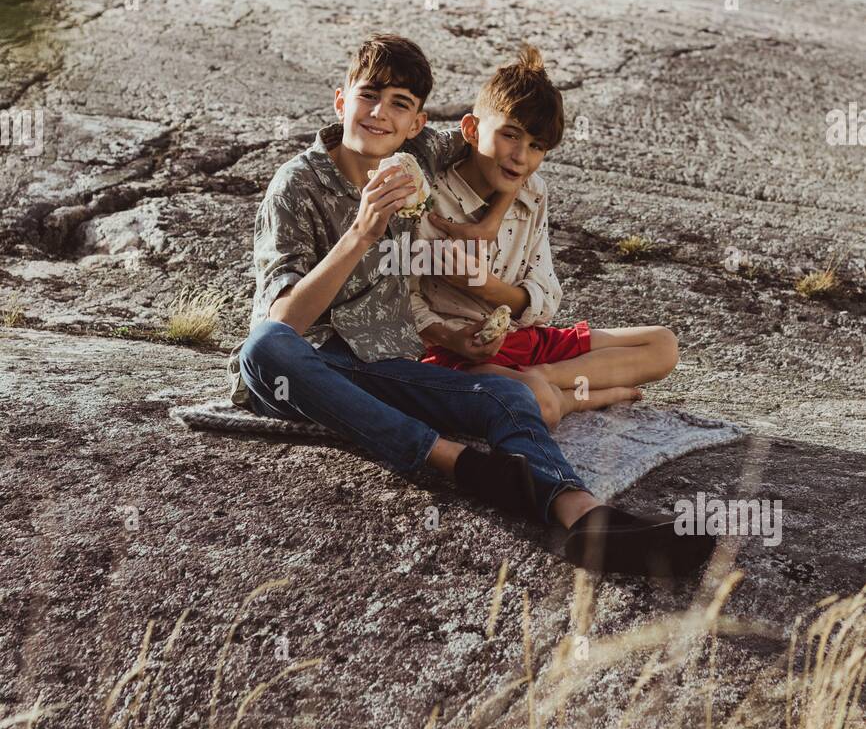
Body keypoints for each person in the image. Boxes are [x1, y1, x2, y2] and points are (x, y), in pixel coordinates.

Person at [228, 33, 714, 578]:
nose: (379, 114)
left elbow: (507, 152)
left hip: (386, 367)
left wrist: (486, 222)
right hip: (310, 369)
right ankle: (454, 462)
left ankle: (582, 516)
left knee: (504, 392)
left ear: (417, 124)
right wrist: (361, 234)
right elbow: (284, 321)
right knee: (264, 347)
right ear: (342, 101)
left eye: (400, 105)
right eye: (368, 96)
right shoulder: (296, 184)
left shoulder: (420, 154)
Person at [410, 43, 680, 431]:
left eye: (537, 146)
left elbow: (545, 296)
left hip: (526, 342)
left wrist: (485, 287)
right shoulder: (428, 198)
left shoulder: (531, 191)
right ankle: (575, 395)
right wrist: (454, 339)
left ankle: (551, 380)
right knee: (539, 405)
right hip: (459, 353)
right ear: (471, 129)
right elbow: (405, 299)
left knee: (662, 345)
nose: (521, 156)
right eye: (510, 135)